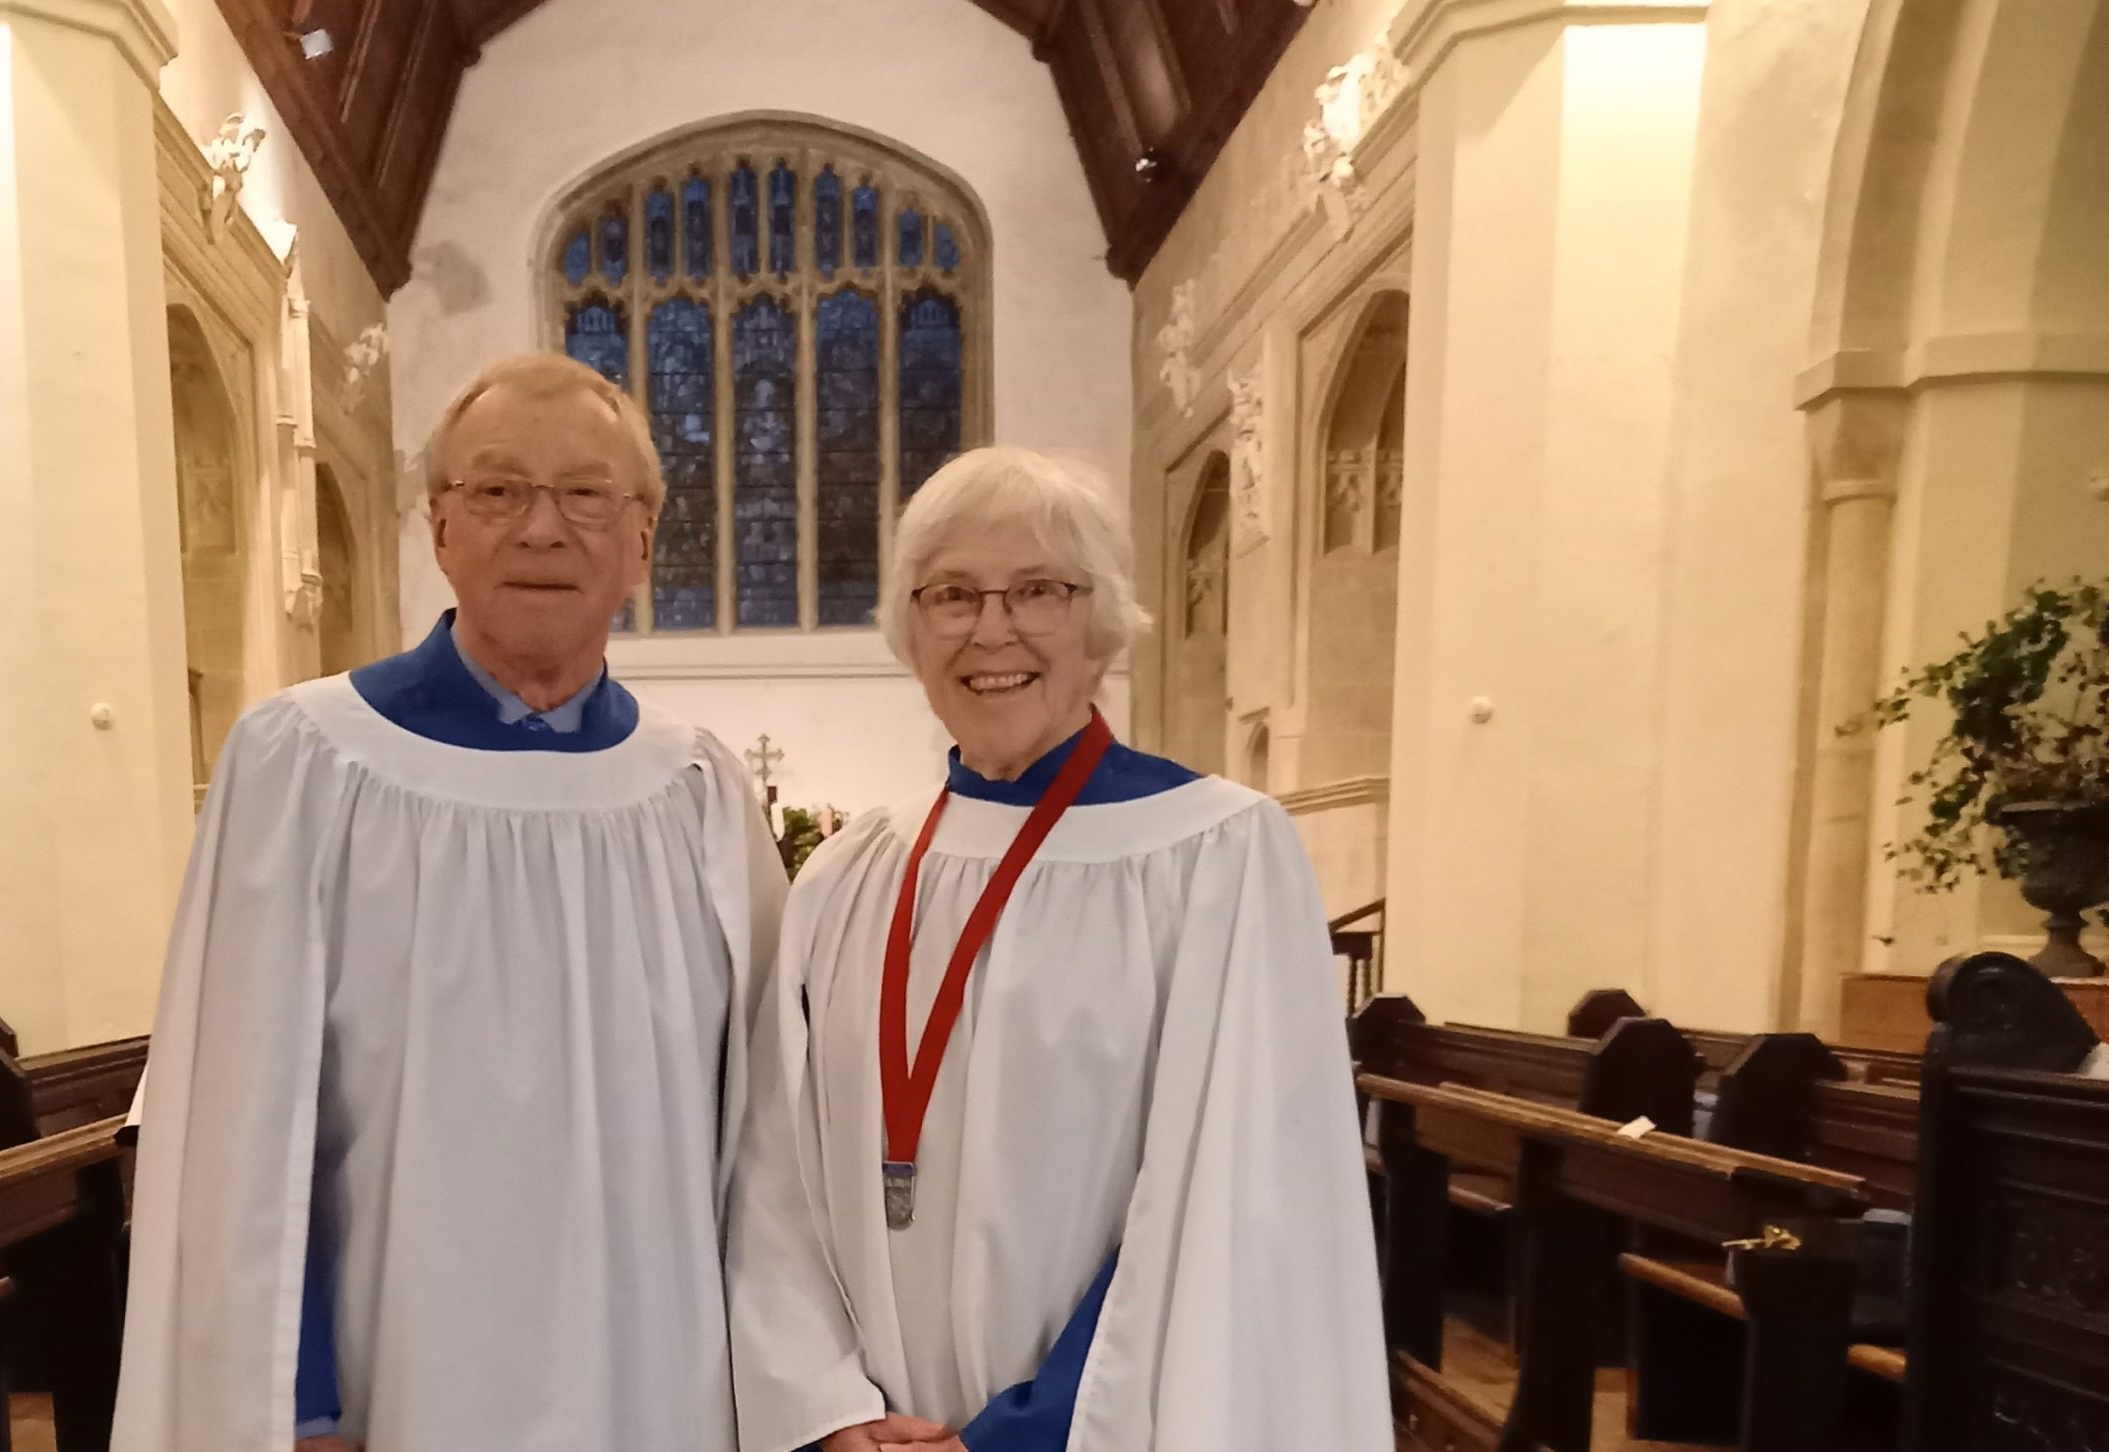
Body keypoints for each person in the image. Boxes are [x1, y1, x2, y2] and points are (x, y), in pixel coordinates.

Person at [112, 354, 784, 1451]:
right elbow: (242, 1121)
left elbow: (769, 1131)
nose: (541, 530)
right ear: (440, 527)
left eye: (585, 494)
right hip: (401, 1377)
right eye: (499, 490)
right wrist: (294, 1402)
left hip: (661, 1380)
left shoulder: (698, 793)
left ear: (642, 540)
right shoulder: (306, 763)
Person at [725, 447, 1391, 1452]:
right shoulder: (850, 874)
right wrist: (826, 1405)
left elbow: (1235, 1191)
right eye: (952, 594)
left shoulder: (1215, 856)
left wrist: (1019, 1435)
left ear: (1103, 621)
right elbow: (772, 1166)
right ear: (910, 629)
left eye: (1038, 590)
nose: (992, 630)